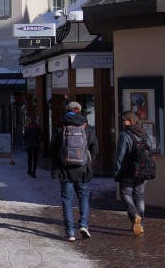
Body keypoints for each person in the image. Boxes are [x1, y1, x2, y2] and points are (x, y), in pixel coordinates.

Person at [50, 101, 99, 242]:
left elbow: (52, 149)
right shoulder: (86, 127)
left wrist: (55, 166)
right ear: (79, 110)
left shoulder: (61, 127)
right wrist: (89, 158)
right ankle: (83, 224)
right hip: (83, 169)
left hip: (65, 170)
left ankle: (70, 232)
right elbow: (95, 148)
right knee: (83, 196)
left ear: (68, 110)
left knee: (67, 199)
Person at [114, 111, 153, 236]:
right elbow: (150, 148)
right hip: (142, 170)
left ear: (130, 121)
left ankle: (135, 215)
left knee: (126, 194)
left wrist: (117, 172)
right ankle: (140, 224)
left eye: (124, 120)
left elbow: (120, 156)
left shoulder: (124, 135)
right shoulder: (143, 133)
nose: (122, 122)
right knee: (139, 195)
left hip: (128, 169)